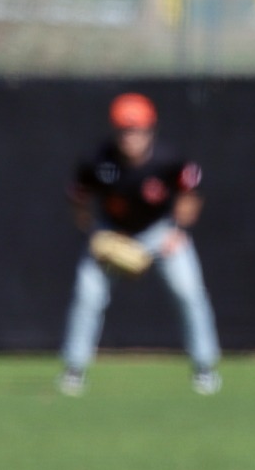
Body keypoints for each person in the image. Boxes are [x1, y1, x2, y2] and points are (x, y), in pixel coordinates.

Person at [57, 92, 222, 396]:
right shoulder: (98, 161)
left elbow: (192, 192)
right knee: (87, 295)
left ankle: (205, 368)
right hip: (113, 234)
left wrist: (177, 230)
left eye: (137, 130)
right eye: (124, 130)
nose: (131, 137)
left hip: (159, 232)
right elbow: (77, 199)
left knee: (189, 292)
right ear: (115, 131)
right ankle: (73, 370)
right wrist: (93, 233)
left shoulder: (167, 159)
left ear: (150, 130)